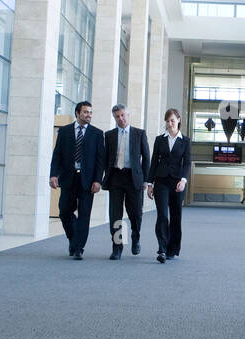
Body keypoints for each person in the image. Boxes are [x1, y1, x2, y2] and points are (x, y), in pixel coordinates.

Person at [49, 101, 105, 260]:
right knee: (64, 211)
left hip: (88, 181)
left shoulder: (97, 133)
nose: (89, 115)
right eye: (86, 112)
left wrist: (98, 180)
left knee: (85, 215)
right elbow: (57, 155)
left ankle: (79, 248)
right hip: (68, 178)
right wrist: (53, 175)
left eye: (91, 112)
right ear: (77, 113)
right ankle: (73, 239)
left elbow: (100, 160)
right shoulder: (65, 131)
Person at [102, 104, 151, 259]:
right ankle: (118, 247)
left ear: (128, 115)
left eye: (123, 115)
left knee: (135, 213)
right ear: (114, 118)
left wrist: (146, 180)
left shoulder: (139, 134)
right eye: (117, 116)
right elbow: (106, 158)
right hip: (116, 177)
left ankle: (135, 237)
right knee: (115, 215)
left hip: (134, 178)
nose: (120, 119)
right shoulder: (109, 135)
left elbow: (147, 158)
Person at [146, 108, 191, 263]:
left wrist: (183, 180)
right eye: (167, 121)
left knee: (176, 216)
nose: (170, 124)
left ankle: (173, 249)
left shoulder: (185, 141)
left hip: (178, 183)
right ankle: (162, 249)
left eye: (172, 120)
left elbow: (187, 164)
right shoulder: (160, 139)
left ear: (178, 120)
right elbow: (153, 162)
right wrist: (149, 183)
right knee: (162, 215)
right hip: (161, 181)